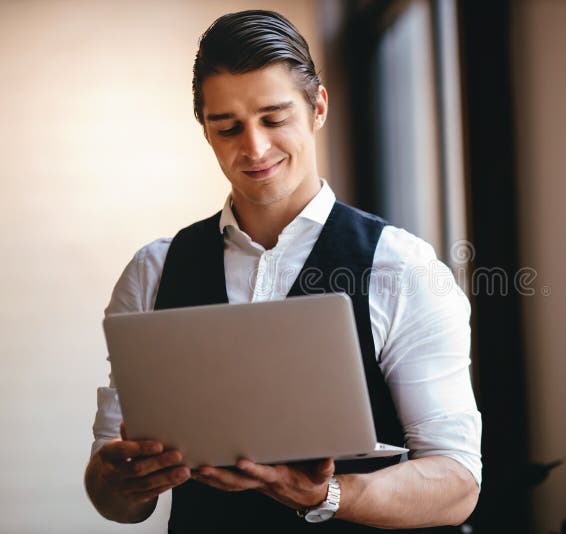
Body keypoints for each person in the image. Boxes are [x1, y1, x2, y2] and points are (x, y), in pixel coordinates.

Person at [84, 9, 481, 532]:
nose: (254, 148)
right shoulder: (152, 271)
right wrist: (116, 484)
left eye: (274, 119)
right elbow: (117, 500)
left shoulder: (400, 266)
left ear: (317, 107)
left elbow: (456, 482)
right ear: (205, 130)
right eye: (227, 127)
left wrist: (329, 493)